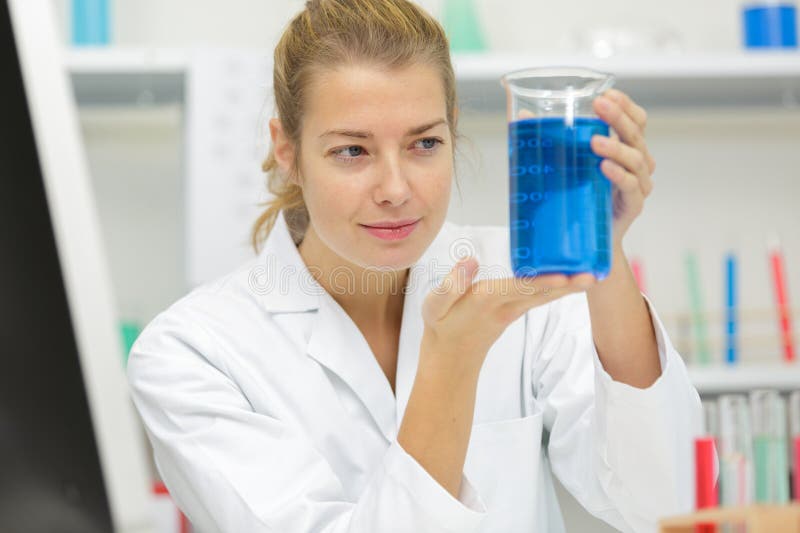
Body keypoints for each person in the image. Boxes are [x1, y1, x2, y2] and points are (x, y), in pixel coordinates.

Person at [127, 1, 703, 532]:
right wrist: (452, 363)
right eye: (351, 151)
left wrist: (607, 252)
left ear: (451, 127)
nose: (396, 189)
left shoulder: (518, 272)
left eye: (424, 144)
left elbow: (662, 503)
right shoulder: (192, 352)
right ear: (287, 151)